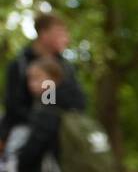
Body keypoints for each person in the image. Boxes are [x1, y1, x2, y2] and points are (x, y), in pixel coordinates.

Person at [1, 12, 86, 148]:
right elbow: (13, 106)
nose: (66, 39)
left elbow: (78, 102)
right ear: (44, 34)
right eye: (60, 33)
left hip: (58, 139)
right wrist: (40, 121)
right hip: (23, 137)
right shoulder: (20, 65)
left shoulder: (66, 67)